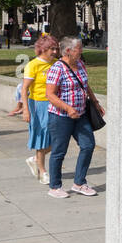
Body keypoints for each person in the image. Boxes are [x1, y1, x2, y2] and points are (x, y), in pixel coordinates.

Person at [45, 36, 104, 198]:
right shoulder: (57, 68)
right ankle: (55, 186)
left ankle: (79, 183)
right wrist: (68, 108)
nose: (82, 51)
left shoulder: (80, 64)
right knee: (59, 151)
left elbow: (85, 84)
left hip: (81, 114)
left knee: (88, 145)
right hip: (60, 116)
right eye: (79, 48)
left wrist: (95, 101)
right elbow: (49, 94)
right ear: (69, 51)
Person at [21, 34, 59, 184]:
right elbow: (24, 89)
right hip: (38, 104)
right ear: (42, 49)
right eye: (52, 49)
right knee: (42, 137)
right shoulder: (33, 65)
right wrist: (25, 109)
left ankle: (35, 159)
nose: (55, 51)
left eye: (56, 48)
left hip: (55, 103)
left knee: (59, 138)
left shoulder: (57, 64)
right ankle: (43, 171)